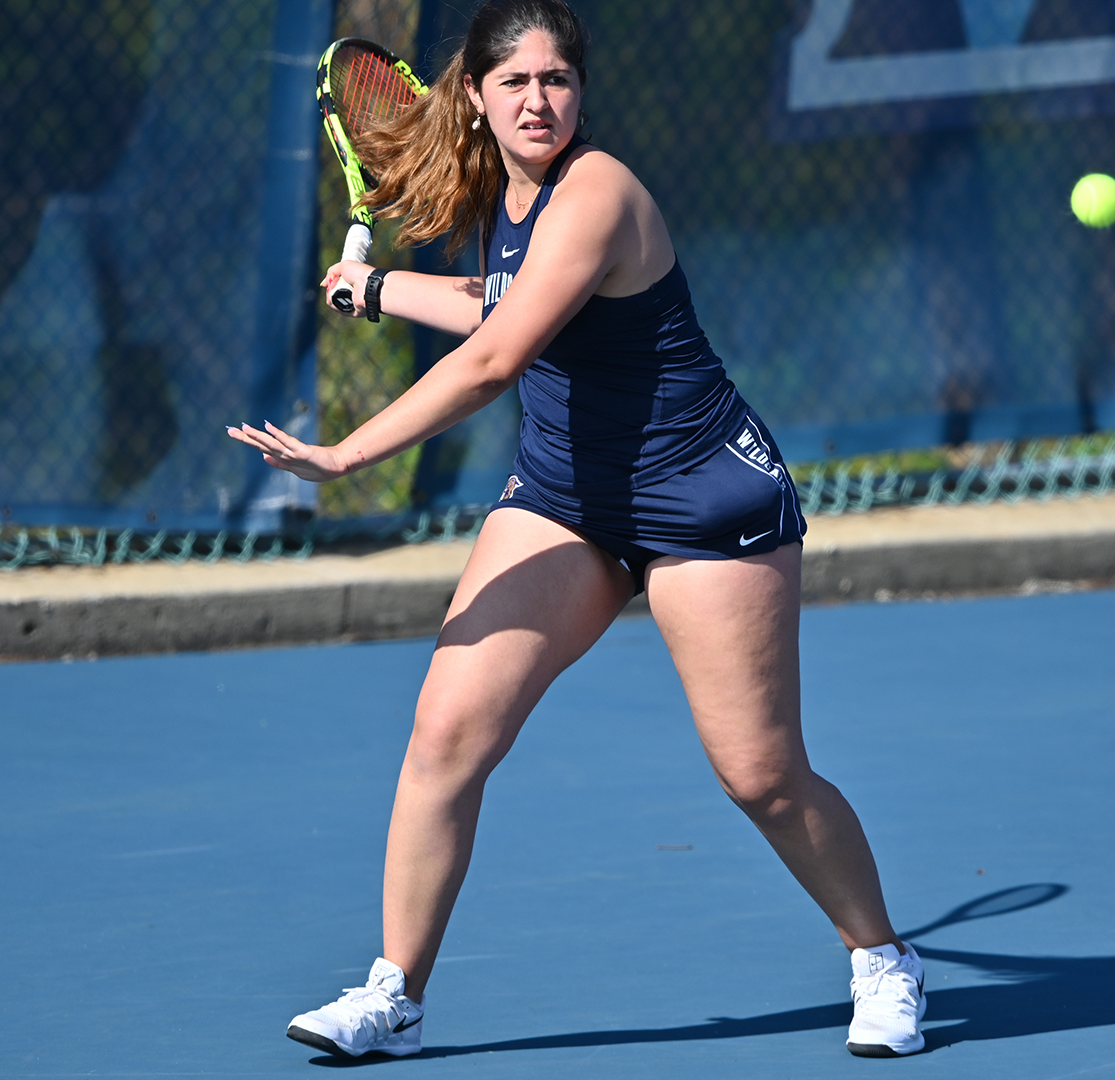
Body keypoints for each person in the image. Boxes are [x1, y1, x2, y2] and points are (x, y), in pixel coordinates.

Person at [227, 0, 924, 1060]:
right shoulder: (507, 196)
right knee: (445, 735)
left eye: (556, 80)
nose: (539, 100)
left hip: (703, 503)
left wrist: (342, 455)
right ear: (476, 94)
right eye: (515, 83)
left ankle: (882, 957)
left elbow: (498, 357)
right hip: (566, 502)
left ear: (580, 91)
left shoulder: (598, 191)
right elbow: (500, 299)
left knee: (761, 774)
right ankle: (396, 994)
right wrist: (377, 288)